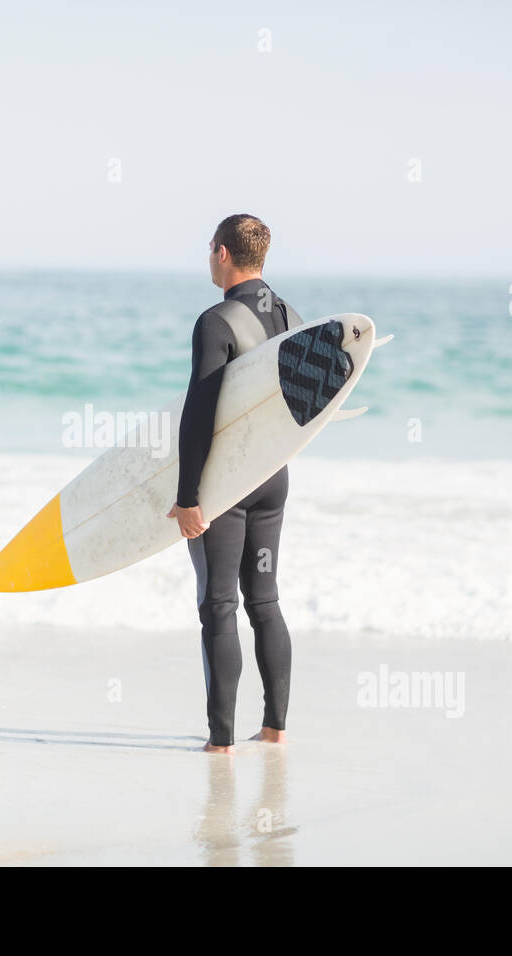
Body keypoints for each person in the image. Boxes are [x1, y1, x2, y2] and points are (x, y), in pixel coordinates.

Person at [166, 214, 301, 754]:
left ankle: (220, 741)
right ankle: (275, 727)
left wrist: (187, 498)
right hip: (274, 478)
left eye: (209, 250)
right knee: (263, 600)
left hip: (226, 485)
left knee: (218, 604)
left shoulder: (216, 320)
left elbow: (199, 414)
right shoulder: (293, 318)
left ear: (223, 253)